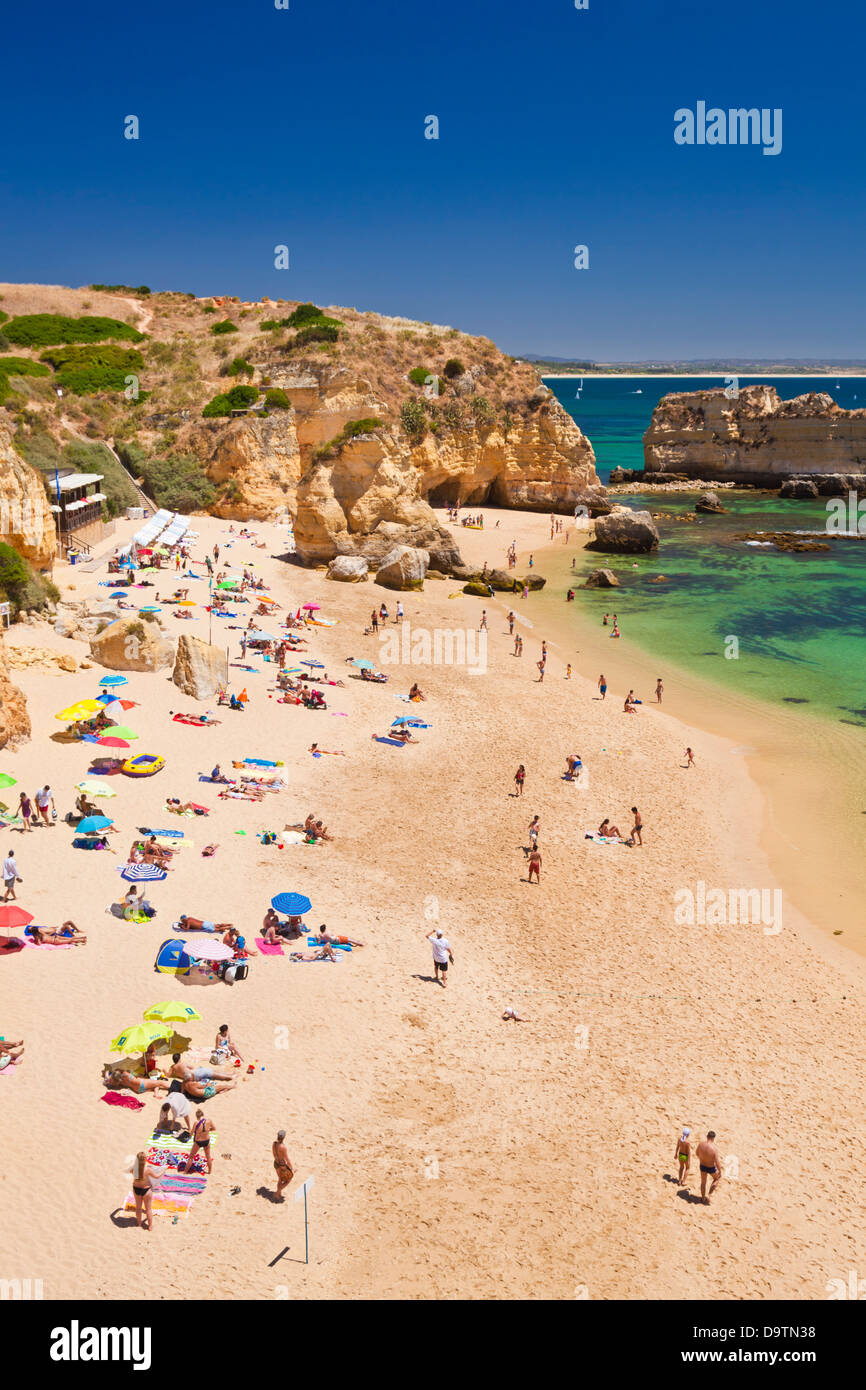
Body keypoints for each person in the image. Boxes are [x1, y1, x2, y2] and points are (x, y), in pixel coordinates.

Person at [131, 1151, 160, 1232]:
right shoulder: (147, 1169)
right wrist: (163, 1170)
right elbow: (157, 1176)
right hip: (146, 1190)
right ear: (145, 1159)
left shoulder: (133, 1169)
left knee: (138, 1208)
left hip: (136, 1189)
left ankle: (139, 1224)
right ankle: (150, 1226)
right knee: (148, 1209)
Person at [182, 1109, 215, 1174]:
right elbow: (214, 1129)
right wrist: (207, 1131)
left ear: (197, 1116)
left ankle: (185, 1172)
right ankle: (210, 1171)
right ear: (202, 1114)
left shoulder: (196, 1123)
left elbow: (191, 1134)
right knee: (208, 1156)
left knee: (191, 1156)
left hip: (198, 1142)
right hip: (206, 1141)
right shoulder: (209, 1121)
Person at [696, 1132, 722, 1204]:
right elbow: (717, 1162)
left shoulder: (701, 1144)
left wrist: (702, 1159)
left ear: (707, 1136)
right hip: (711, 1167)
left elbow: (697, 1153)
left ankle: (703, 1198)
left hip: (702, 1166)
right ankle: (709, 1194)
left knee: (703, 1183)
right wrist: (720, 1171)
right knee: (717, 1178)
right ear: (713, 1138)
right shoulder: (714, 1149)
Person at [273, 1130, 294, 1200]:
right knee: (288, 1180)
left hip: (276, 1163)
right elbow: (287, 1159)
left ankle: (279, 1194)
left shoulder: (274, 1144)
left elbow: (274, 1154)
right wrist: (291, 1167)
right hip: (282, 1166)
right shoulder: (283, 1147)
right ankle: (277, 1192)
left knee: (280, 1179)